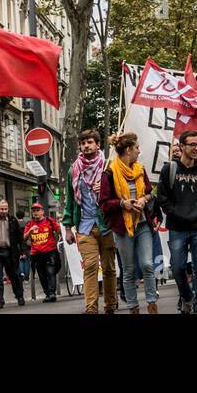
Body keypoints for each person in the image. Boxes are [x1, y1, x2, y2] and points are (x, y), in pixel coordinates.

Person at [156, 129, 197, 314]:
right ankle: (187, 297)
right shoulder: (169, 169)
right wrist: (174, 212)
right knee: (177, 268)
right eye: (192, 145)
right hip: (177, 227)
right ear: (182, 146)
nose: (196, 148)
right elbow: (161, 196)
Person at [100, 132, 158, 314]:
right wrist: (122, 203)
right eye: (137, 148)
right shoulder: (109, 173)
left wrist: (144, 199)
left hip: (142, 224)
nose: (139, 151)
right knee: (128, 269)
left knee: (148, 264)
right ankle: (133, 306)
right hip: (122, 228)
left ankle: (151, 303)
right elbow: (103, 203)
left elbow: (150, 192)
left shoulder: (140, 170)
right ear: (128, 150)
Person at [64, 129, 119, 314]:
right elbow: (70, 200)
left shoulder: (108, 166)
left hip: (107, 225)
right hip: (85, 226)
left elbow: (119, 193)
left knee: (110, 267)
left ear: (97, 145)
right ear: (80, 146)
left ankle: (110, 304)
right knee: (90, 266)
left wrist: (104, 187)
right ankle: (91, 308)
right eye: (83, 143)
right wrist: (68, 228)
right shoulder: (74, 169)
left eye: (90, 142)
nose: (87, 145)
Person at [21, 202, 63, 303]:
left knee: (50, 272)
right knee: (42, 275)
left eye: (37, 210)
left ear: (42, 211)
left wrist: (63, 238)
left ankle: (52, 293)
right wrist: (30, 231)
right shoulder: (29, 224)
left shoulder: (49, 221)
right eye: (34, 211)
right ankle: (47, 294)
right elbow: (24, 238)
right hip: (36, 254)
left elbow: (59, 230)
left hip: (50, 252)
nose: (35, 213)